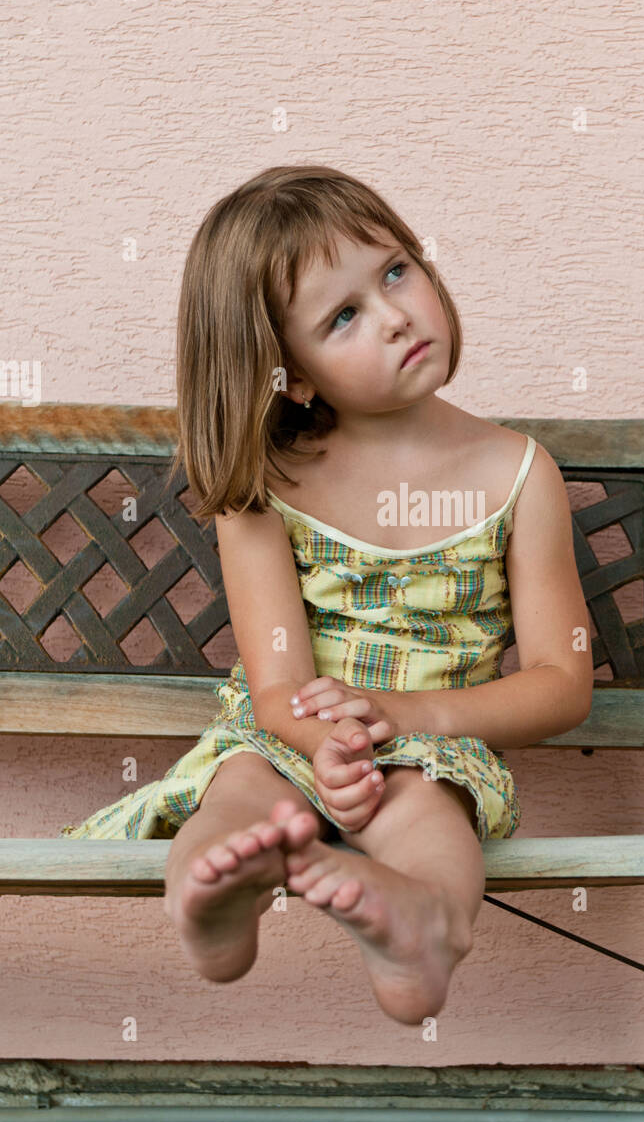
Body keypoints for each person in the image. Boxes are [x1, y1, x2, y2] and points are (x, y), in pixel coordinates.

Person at [59, 165, 593, 1026]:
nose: (393, 316)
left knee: (428, 817)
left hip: (430, 739)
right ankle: (214, 902)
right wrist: (331, 746)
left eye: (393, 272)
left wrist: (403, 718)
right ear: (292, 376)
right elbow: (274, 690)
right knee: (240, 799)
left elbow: (561, 684)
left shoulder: (519, 475)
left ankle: (422, 927)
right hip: (288, 733)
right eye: (342, 317)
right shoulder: (265, 484)